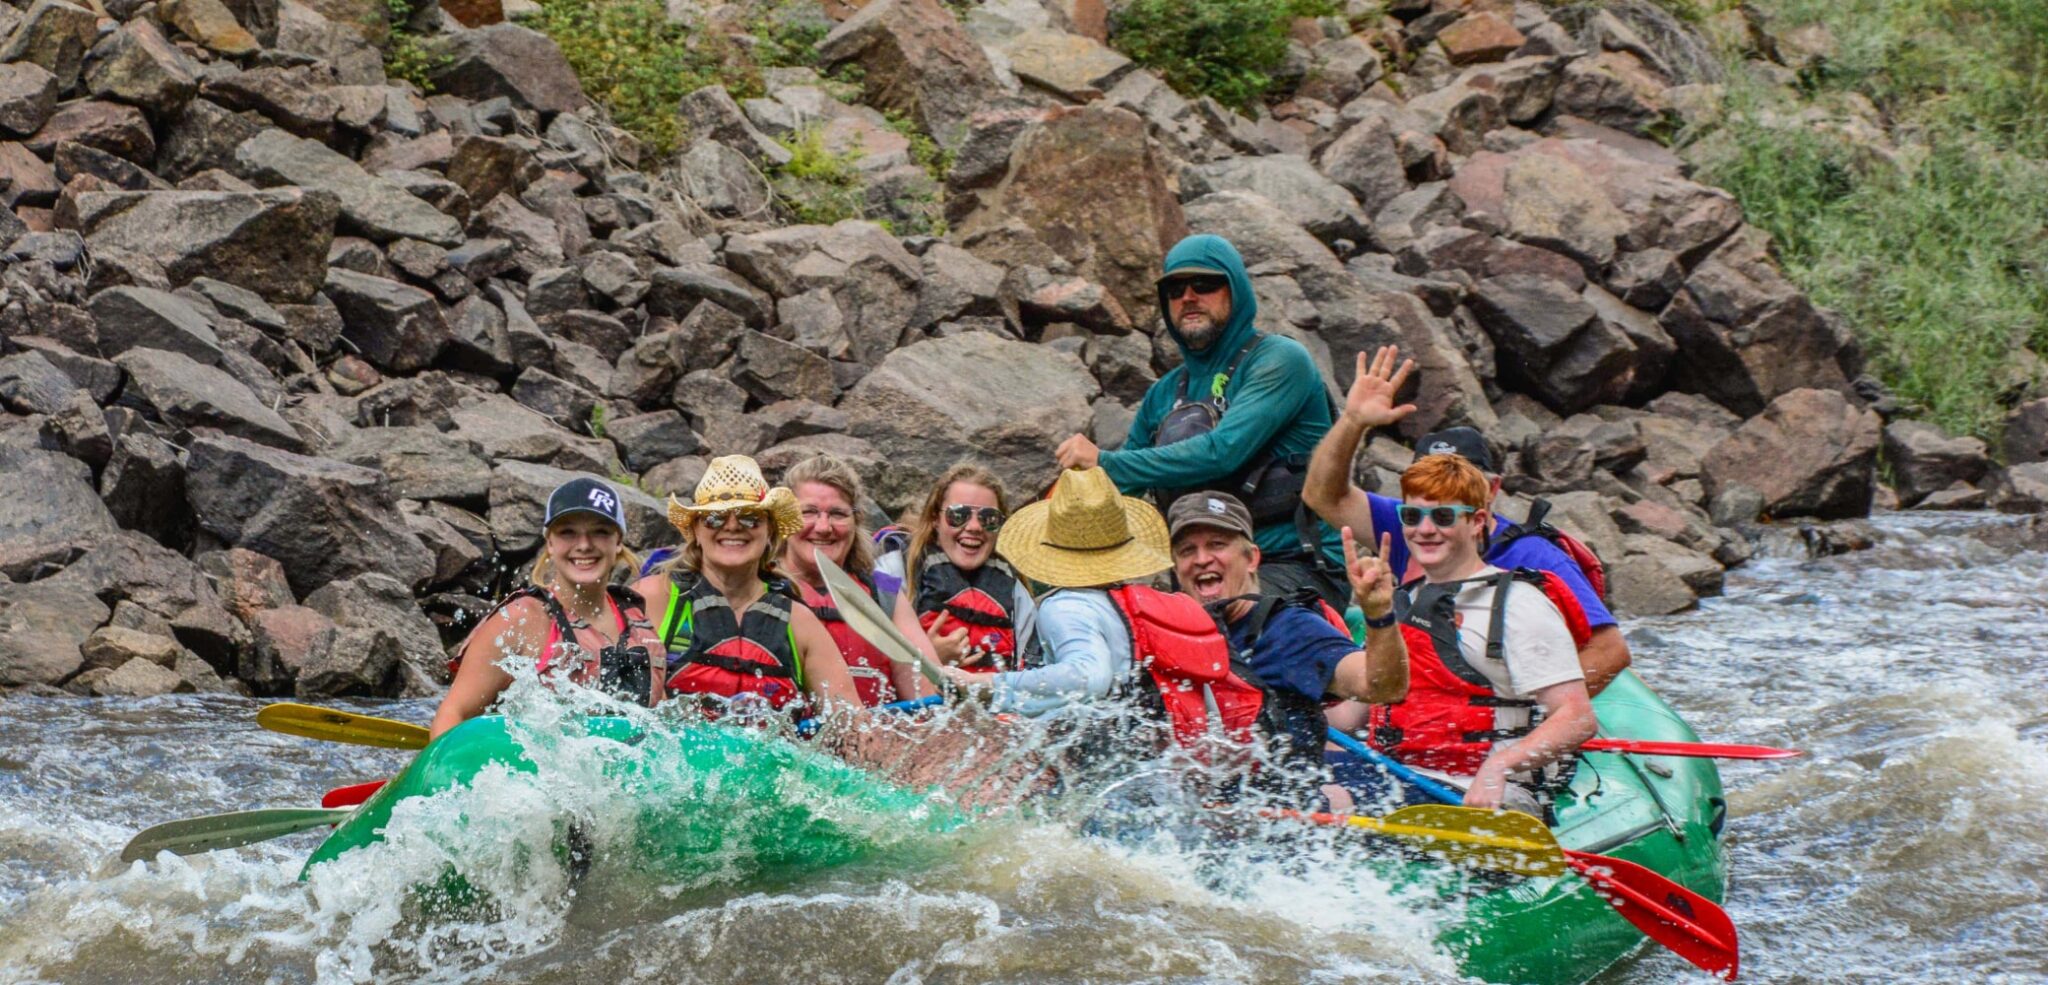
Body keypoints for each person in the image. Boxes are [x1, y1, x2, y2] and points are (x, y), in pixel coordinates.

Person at [1303, 345, 1632, 697]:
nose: (1429, 525)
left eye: (1458, 486)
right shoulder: (1410, 526)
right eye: (1428, 483)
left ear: (1491, 490)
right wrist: (1353, 422)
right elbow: (1324, 496)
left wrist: (1523, 716)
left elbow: (1610, 651)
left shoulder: (1535, 556)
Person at [1053, 233, 1348, 611]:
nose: (1188, 297)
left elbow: (1223, 451)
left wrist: (1105, 462)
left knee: (1214, 621)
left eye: (1205, 284)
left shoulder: (1280, 360)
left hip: (1297, 566)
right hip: (1198, 573)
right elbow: (1121, 491)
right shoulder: (1162, 394)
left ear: (1235, 291)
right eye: (1175, 289)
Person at [1364, 453, 1599, 816]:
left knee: (1352, 794)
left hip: (1483, 791)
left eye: (1443, 516)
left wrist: (1499, 767)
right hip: (1399, 776)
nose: (1424, 529)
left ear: (1476, 522)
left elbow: (1577, 717)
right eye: (1412, 516)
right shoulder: (1397, 602)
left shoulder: (1519, 605)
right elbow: (1355, 711)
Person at [1166, 491, 1410, 812]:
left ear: (1252, 558)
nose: (1201, 559)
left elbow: (1381, 686)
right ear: (1176, 569)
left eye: (1217, 545)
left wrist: (1379, 615)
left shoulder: (1289, 630)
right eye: (1188, 550)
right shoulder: (1171, 637)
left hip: (1284, 825)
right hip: (1203, 818)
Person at [631, 455, 864, 721]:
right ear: (696, 530)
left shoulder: (800, 624)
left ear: (770, 531)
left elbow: (852, 726)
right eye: (715, 518)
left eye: (750, 518)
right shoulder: (653, 599)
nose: (732, 526)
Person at [431, 478, 665, 738]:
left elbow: (663, 727)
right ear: (550, 544)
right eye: (567, 532)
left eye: (600, 531)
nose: (584, 545)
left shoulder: (638, 624)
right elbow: (454, 713)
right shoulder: (521, 620)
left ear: (618, 541)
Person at [777, 454, 936, 708]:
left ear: (856, 522)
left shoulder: (884, 593)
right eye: (808, 512)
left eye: (838, 514)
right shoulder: (760, 588)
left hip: (873, 738)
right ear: (784, 521)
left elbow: (927, 697)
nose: (823, 527)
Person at [874, 464, 1037, 673]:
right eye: (958, 515)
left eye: (989, 518)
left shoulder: (1018, 596)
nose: (974, 527)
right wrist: (928, 658)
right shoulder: (890, 571)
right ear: (935, 518)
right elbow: (866, 659)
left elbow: (1028, 680)